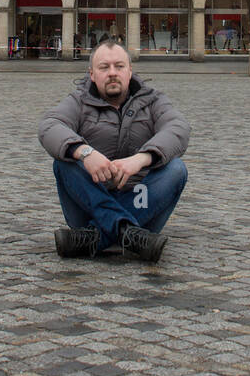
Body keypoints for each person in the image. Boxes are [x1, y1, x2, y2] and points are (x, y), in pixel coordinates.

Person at [39, 37, 190, 262]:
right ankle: (129, 234)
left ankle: (94, 238)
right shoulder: (79, 101)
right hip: (88, 203)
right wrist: (85, 152)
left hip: (141, 201)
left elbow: (179, 128)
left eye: (119, 66)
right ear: (92, 74)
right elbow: (49, 126)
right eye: (104, 67)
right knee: (64, 162)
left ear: (130, 71)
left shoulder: (153, 100)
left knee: (176, 169)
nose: (112, 73)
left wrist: (142, 158)